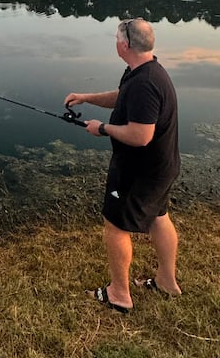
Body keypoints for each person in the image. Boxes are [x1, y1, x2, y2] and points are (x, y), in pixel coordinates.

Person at [65, 17, 181, 313]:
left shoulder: (145, 83)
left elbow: (141, 136)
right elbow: (123, 98)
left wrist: (102, 128)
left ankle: (119, 294)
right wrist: (86, 98)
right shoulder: (144, 70)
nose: (115, 43)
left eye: (117, 39)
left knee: (115, 225)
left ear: (126, 45)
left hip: (139, 172)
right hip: (161, 167)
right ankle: (167, 281)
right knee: (158, 217)